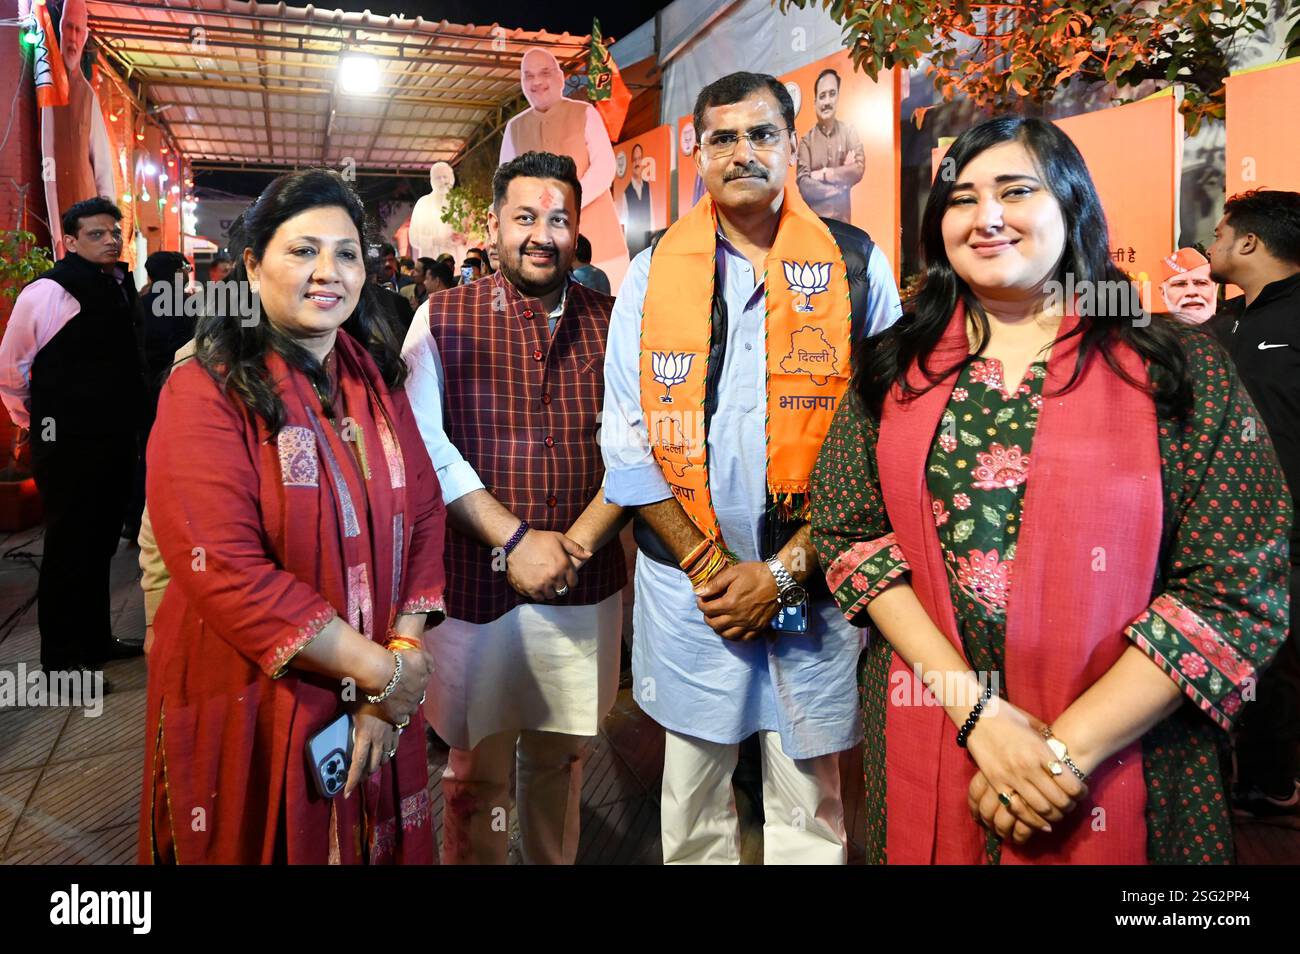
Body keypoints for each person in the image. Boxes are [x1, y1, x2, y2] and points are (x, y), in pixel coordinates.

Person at [809, 117, 1292, 864]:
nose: (987, 216)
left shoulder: (1174, 367)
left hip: (1129, 751)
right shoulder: (891, 368)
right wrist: (983, 721)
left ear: (1073, 207)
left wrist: (1058, 756)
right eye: (962, 198)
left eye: (1016, 190)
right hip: (935, 717)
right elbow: (851, 533)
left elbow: (1236, 586)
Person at [601, 71, 901, 865]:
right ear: (697, 153)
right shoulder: (653, 269)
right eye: (723, 138)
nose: (743, 152)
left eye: (762, 134)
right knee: (693, 791)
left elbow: (889, 434)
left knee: (810, 794)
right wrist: (709, 566)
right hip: (690, 584)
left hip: (814, 576)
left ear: (792, 145)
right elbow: (626, 437)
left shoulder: (856, 266)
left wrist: (787, 569)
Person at [138, 169, 446, 864]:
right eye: (301, 251)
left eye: (345, 253)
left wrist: (398, 655)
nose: (326, 272)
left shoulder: (373, 377)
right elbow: (227, 570)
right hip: (258, 687)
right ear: (252, 264)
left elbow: (424, 510)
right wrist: (386, 674)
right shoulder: (204, 388)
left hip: (377, 689)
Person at [402, 151, 628, 865]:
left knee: (562, 764)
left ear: (576, 229)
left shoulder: (616, 321)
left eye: (557, 219)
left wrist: (575, 544)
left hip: (582, 583)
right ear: (494, 226)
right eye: (525, 217)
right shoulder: (440, 318)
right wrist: (517, 538)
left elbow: (641, 443)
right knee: (475, 772)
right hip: (475, 585)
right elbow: (426, 447)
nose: (541, 234)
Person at [0, 196, 146, 680]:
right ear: (70, 240)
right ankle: (62, 664)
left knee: (100, 545)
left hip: (113, 441)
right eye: (96, 234)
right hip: (66, 445)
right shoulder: (46, 292)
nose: (109, 241)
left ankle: (95, 641)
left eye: (113, 233)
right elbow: (12, 369)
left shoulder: (118, 287)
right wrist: (34, 422)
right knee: (67, 550)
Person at [1205, 188, 1300, 816]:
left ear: (1249, 242)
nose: (1210, 243)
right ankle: (1252, 778)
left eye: (1219, 231)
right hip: (1221, 534)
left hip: (1289, 539)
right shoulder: (1222, 324)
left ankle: (1274, 781)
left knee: (1280, 667)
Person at [501, 48, 629, 291]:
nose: (537, 81)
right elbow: (505, 185)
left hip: (597, 238)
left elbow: (605, 166)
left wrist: (566, 200)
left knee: (608, 314)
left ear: (560, 78)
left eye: (545, 73)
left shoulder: (584, 113)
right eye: (528, 76)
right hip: (540, 247)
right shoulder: (514, 128)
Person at [796, 68, 865, 224]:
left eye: (832, 94)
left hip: (844, 225)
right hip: (815, 225)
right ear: (815, 103)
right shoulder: (806, 141)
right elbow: (804, 184)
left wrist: (824, 174)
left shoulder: (849, 133)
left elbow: (858, 169)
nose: (827, 101)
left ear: (838, 97)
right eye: (822, 96)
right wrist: (839, 189)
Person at [1159, 247, 1217, 325]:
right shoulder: (1149, 336)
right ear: (1163, 293)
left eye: (1201, 283)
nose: (1191, 292)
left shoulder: (1235, 333)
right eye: (1179, 284)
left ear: (1215, 289)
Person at [621, 142, 653, 257]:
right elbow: (624, 227)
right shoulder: (626, 193)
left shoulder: (648, 188)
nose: (637, 162)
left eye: (639, 158)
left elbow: (652, 218)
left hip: (648, 246)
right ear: (631, 162)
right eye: (634, 159)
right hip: (633, 249)